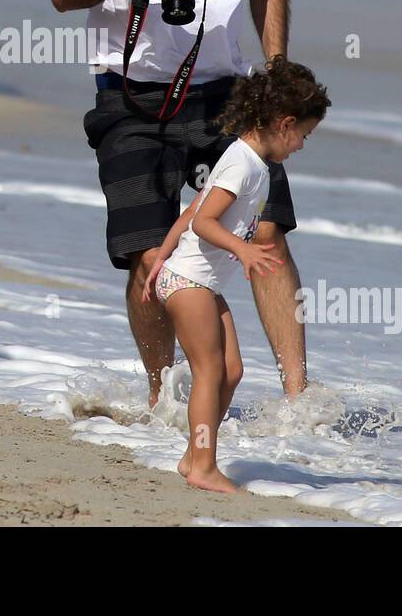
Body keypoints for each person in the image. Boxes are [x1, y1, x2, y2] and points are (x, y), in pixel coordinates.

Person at [50, 0, 305, 408]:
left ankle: (301, 403)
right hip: (131, 94)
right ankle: (163, 399)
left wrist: (275, 73)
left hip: (229, 90)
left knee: (266, 230)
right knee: (147, 251)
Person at [144, 58, 328, 493]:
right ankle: (204, 465)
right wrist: (242, 248)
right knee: (209, 370)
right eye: (303, 134)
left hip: (195, 281)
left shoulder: (251, 164)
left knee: (231, 369)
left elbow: (190, 209)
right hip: (190, 283)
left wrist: (158, 263)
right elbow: (203, 222)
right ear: (284, 124)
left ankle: (193, 455)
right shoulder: (243, 164)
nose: (301, 145)